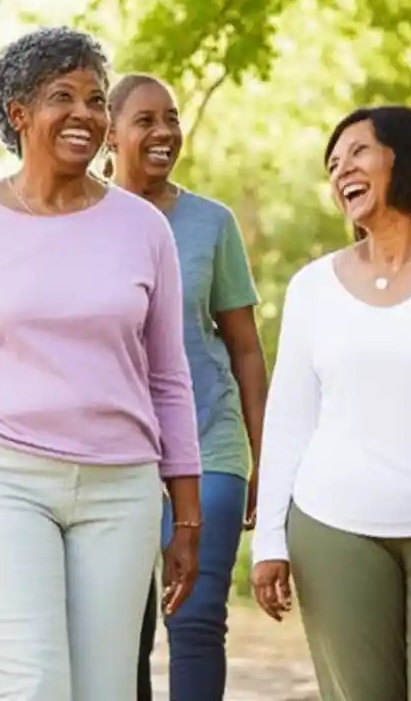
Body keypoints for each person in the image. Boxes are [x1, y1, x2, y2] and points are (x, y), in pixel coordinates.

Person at [0, 27, 203, 700]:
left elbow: (168, 377)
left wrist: (186, 517)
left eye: (96, 100)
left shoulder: (143, 228)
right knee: (32, 683)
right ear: (19, 114)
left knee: (106, 690)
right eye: (62, 96)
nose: (86, 114)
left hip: (120, 485)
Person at [251, 105, 411, 700]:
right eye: (332, 164)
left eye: (357, 152)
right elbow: (290, 419)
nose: (341, 170)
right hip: (336, 530)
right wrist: (270, 542)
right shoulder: (313, 288)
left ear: (405, 158)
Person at [105, 74, 268, 701]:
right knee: (122, 631)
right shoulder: (86, 217)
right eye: (146, 120)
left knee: (197, 620)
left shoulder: (212, 223)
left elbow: (246, 349)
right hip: (116, 453)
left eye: (171, 118)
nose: (165, 132)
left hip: (210, 445)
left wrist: (264, 456)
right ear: (110, 133)